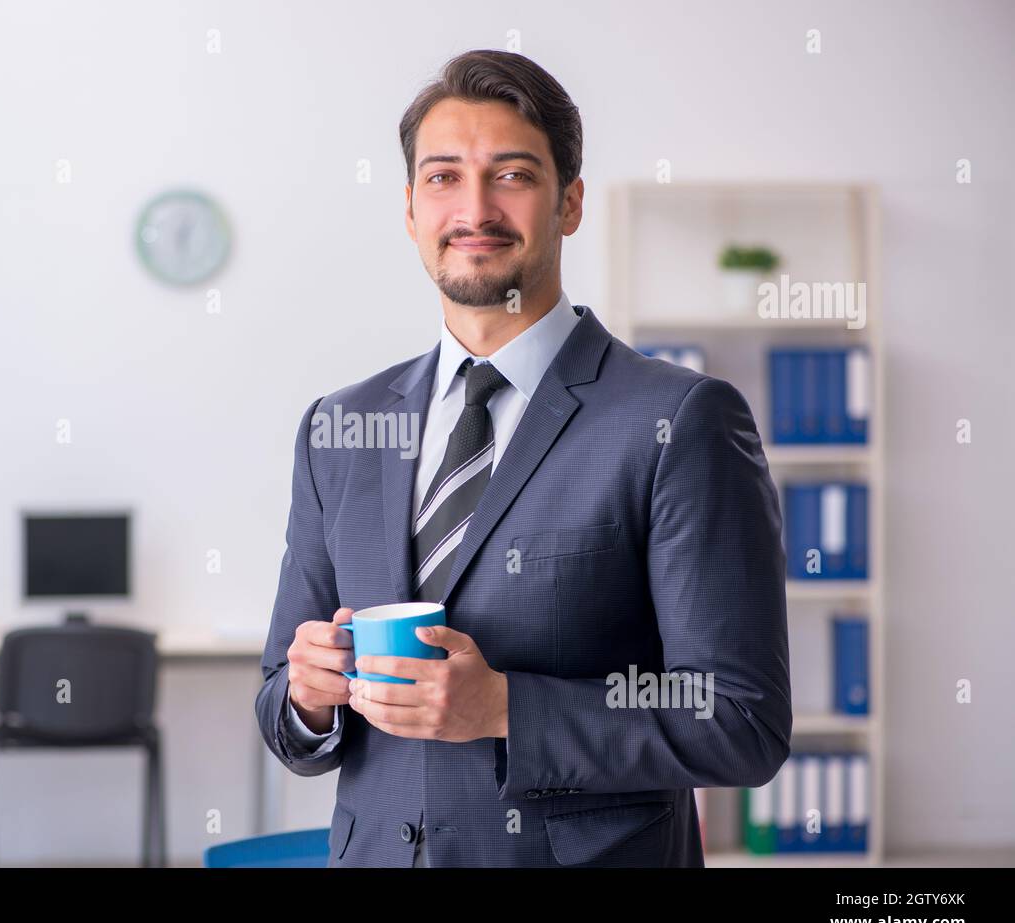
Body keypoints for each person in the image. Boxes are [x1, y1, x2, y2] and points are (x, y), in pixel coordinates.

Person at [255, 49, 791, 867]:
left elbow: (741, 721)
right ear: (409, 208)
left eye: (511, 175)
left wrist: (506, 706)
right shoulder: (341, 426)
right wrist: (308, 696)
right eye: (442, 178)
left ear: (569, 203)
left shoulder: (679, 419)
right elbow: (282, 711)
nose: (474, 207)